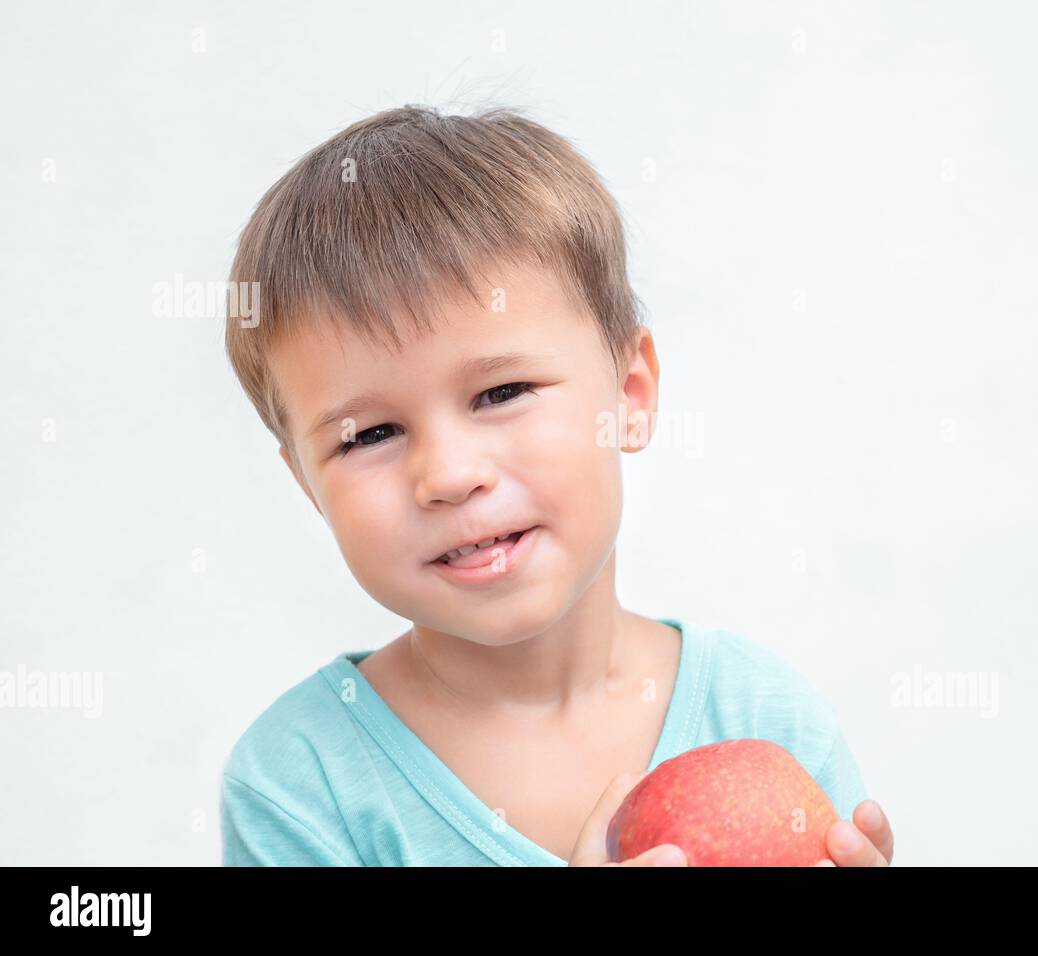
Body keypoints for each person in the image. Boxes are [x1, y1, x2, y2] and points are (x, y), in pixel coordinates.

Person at [218, 104, 893, 867]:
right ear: (307, 483)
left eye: (502, 393)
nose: (448, 475)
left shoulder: (766, 718)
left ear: (629, 396)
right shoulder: (301, 789)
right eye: (370, 435)